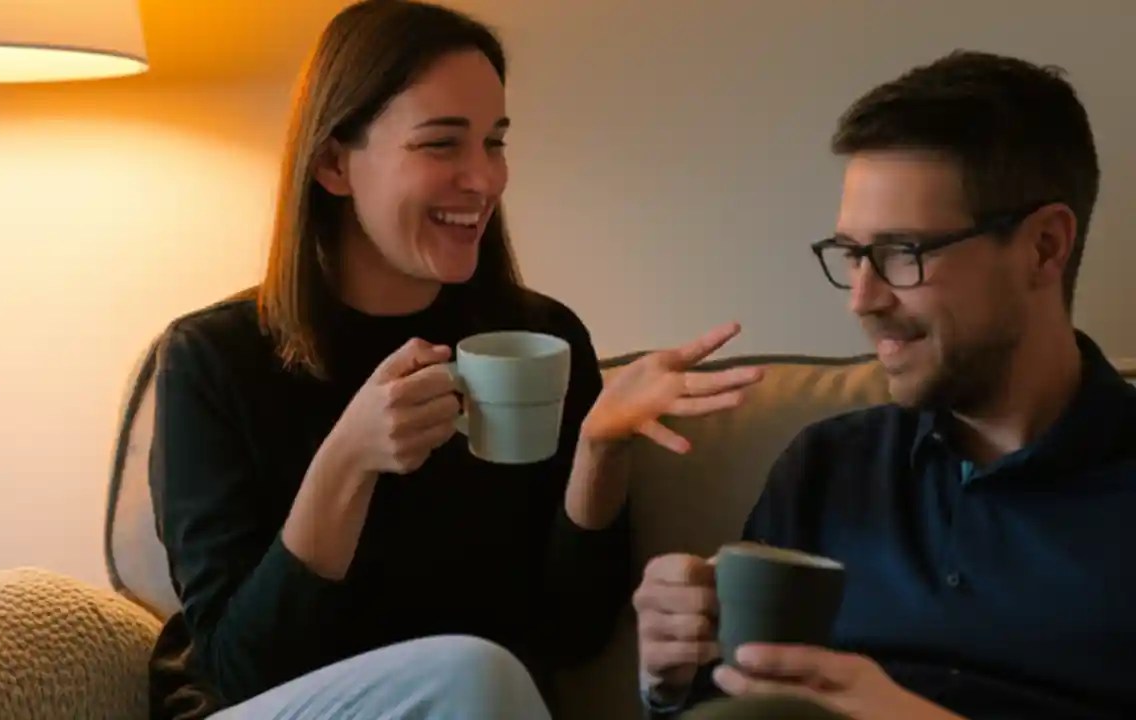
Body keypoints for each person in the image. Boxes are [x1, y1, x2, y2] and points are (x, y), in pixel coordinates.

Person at [147, 2, 763, 719]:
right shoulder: (211, 361)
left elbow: (572, 634)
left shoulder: (539, 338)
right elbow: (242, 672)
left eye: (494, 143)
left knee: (479, 672)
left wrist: (600, 450)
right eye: (442, 144)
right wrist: (348, 461)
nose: (484, 179)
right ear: (334, 163)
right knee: (470, 668)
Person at [635, 50, 1135, 720]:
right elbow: (729, 699)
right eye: (852, 255)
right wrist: (669, 678)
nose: (862, 300)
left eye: (903, 253)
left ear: (1043, 247)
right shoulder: (827, 467)